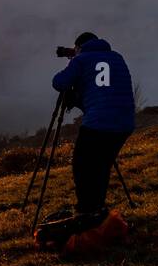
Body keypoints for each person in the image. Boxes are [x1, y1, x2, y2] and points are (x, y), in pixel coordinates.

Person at [52, 32, 135, 218]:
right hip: (125, 123)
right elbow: (101, 95)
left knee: (82, 166)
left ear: (79, 47)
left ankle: (86, 210)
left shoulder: (81, 60)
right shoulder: (116, 57)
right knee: (102, 166)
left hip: (98, 123)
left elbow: (59, 82)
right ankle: (96, 208)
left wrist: (74, 62)